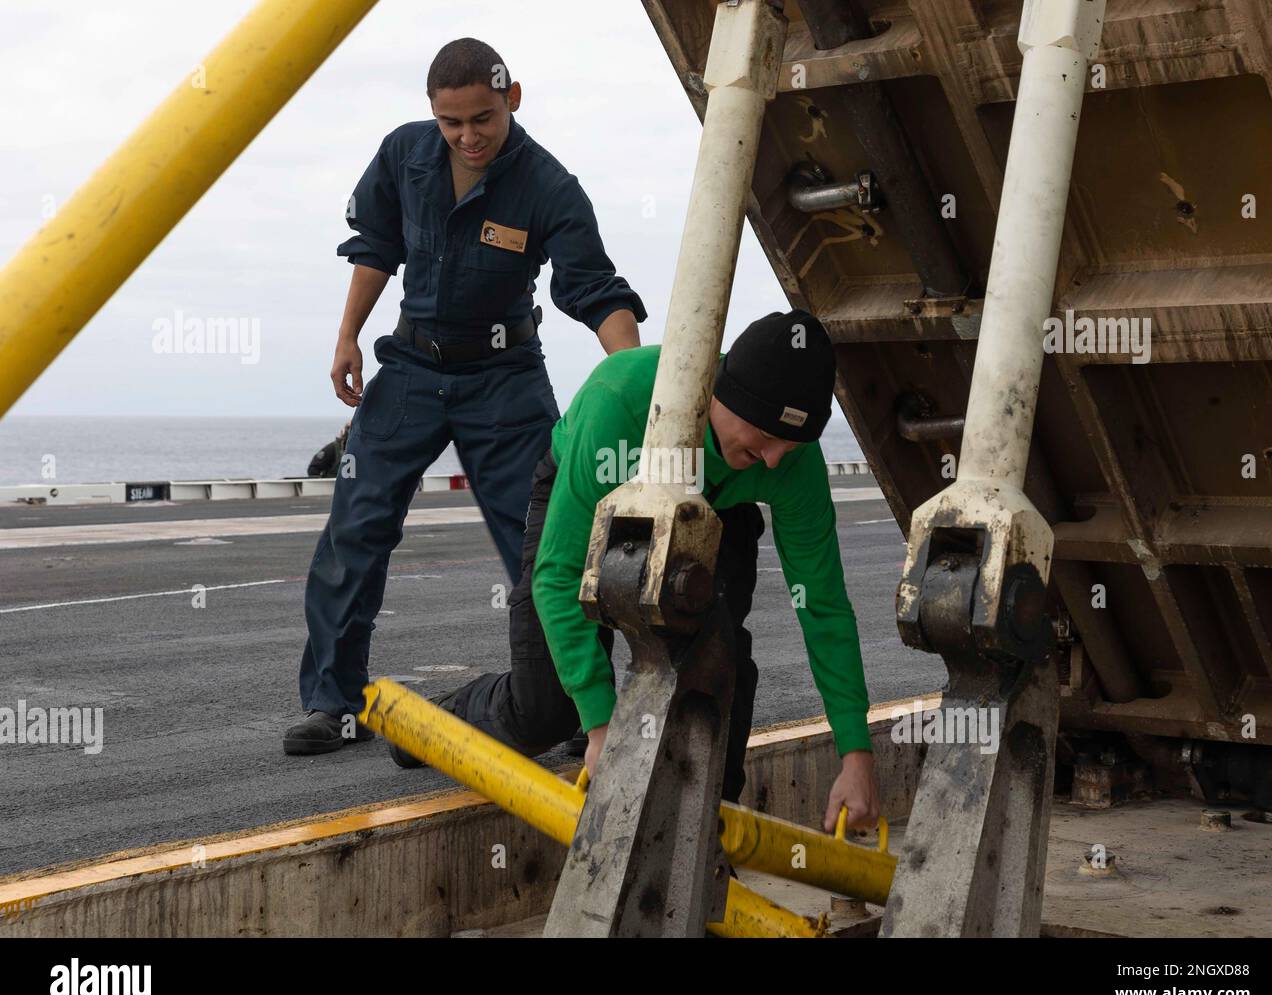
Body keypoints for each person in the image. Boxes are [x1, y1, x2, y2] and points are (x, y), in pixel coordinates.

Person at [285, 38, 645, 755]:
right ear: (432, 113)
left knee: (548, 543)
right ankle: (337, 701)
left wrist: (636, 385)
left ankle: (580, 704)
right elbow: (374, 247)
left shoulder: (549, 185)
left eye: (482, 117)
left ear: (512, 98)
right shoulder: (403, 154)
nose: (469, 136)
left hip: (505, 379)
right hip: (411, 366)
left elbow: (595, 291)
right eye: (453, 123)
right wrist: (347, 337)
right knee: (354, 531)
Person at [395, 311, 881, 831]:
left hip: (714, 506)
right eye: (762, 436)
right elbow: (558, 577)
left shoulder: (784, 459)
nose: (773, 461)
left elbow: (822, 603)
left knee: (719, 661)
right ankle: (432, 720)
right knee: (547, 709)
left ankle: (706, 845)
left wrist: (857, 754)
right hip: (600, 491)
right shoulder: (621, 399)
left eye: (792, 446)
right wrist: (602, 726)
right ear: (720, 394)